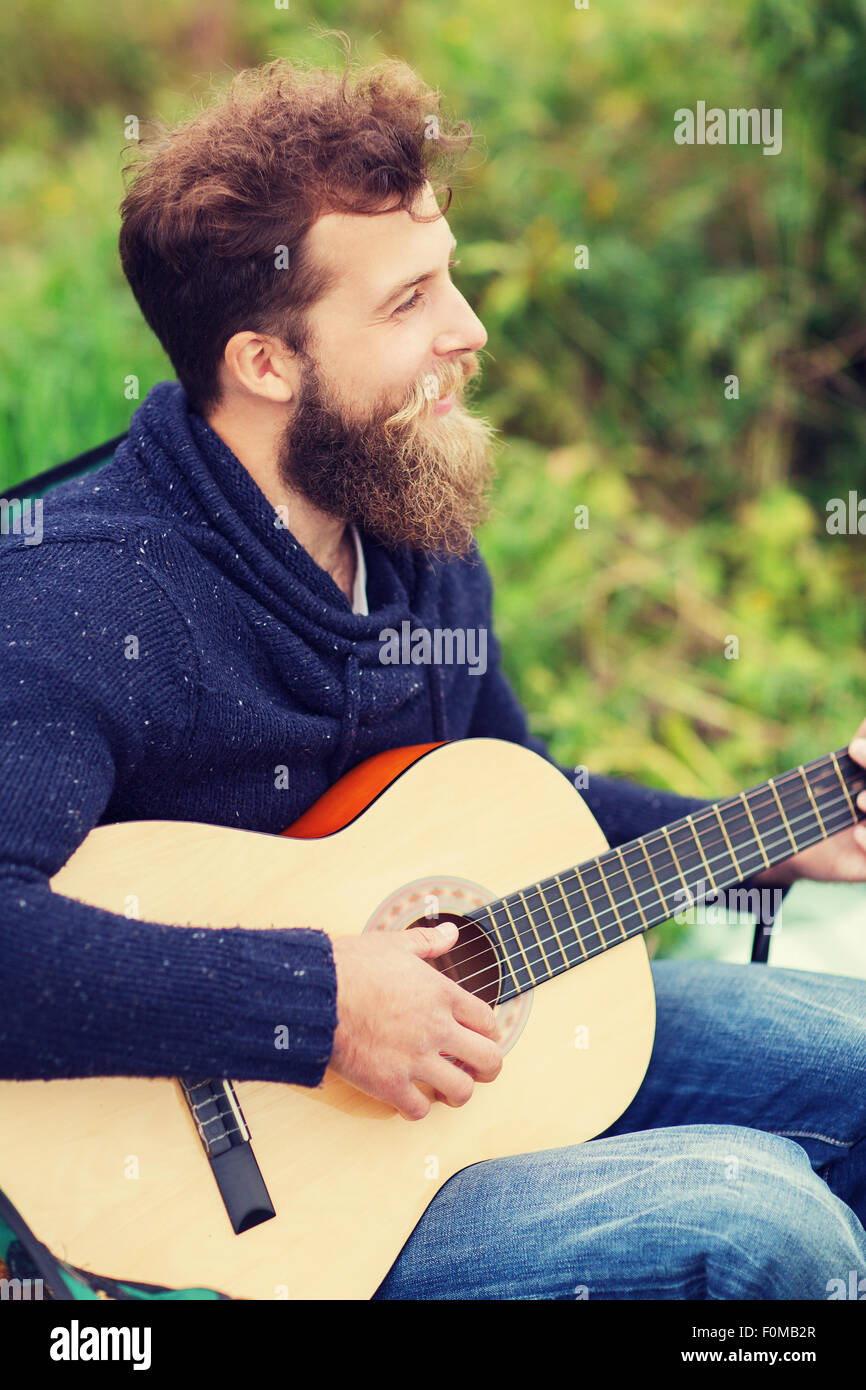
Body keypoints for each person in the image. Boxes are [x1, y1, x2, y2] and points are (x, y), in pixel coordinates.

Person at [1, 51, 865, 1301]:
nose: (466, 331)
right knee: (758, 1222)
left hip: (453, 1078)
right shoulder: (80, 596)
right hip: (250, 1201)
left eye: (448, 276)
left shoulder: (406, 520)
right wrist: (320, 998)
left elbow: (520, 812)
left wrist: (785, 834)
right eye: (408, 301)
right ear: (265, 362)